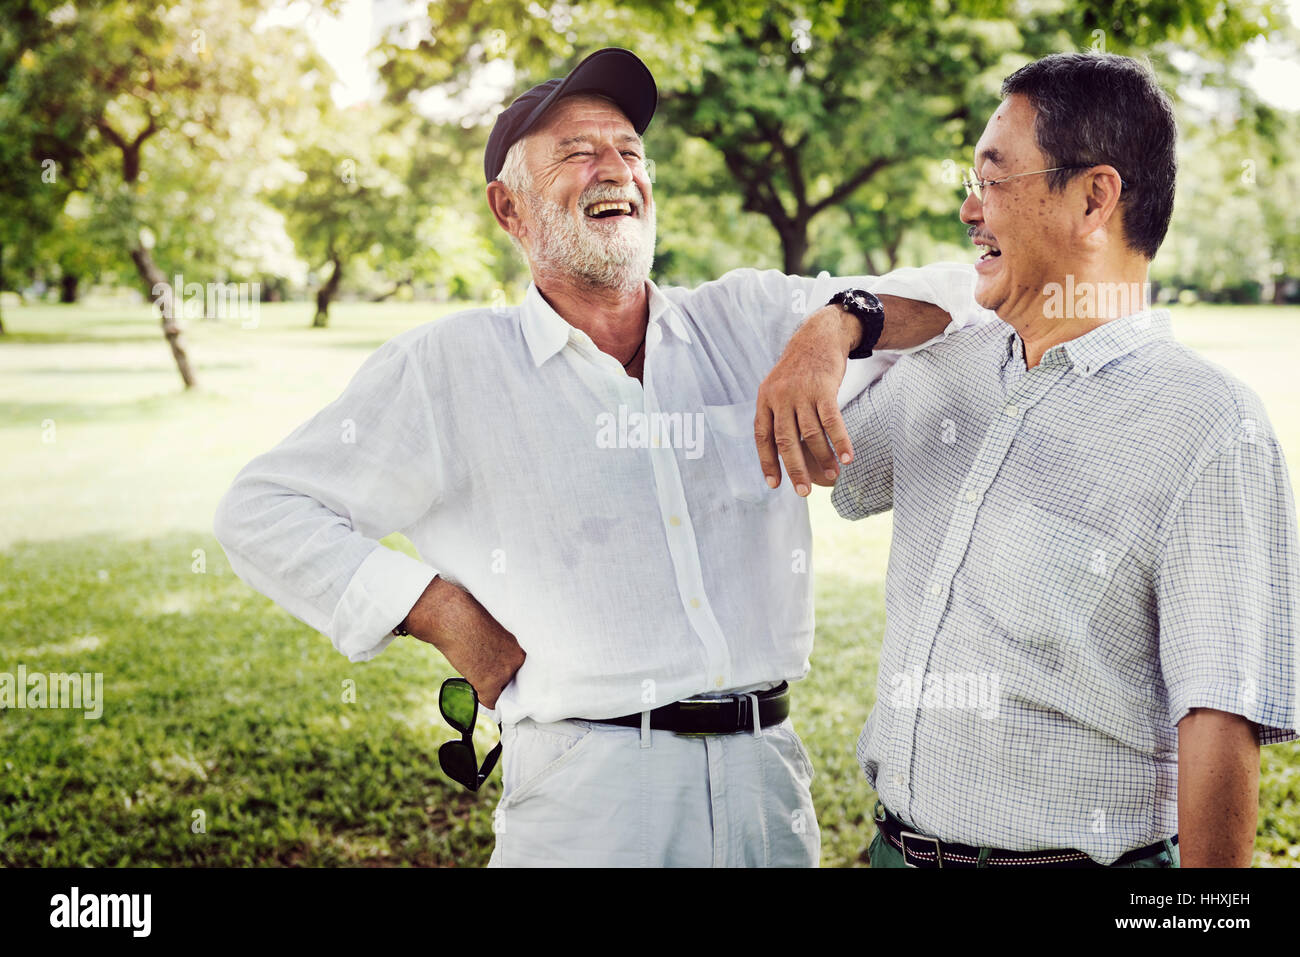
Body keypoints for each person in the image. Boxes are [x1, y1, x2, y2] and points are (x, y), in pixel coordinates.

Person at [213, 47, 984, 867]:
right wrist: (434, 608)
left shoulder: (750, 317)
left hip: (768, 785)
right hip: (588, 801)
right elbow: (261, 510)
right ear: (508, 210)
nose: (614, 169)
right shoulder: (447, 368)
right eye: (578, 154)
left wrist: (838, 325)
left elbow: (971, 291)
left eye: (630, 152)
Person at [756, 51, 1299, 868]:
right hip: (890, 852)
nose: (972, 210)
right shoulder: (954, 363)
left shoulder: (1211, 426)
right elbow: (831, 460)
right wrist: (838, 322)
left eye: (995, 178)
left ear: (1093, 197)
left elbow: (1222, 715)